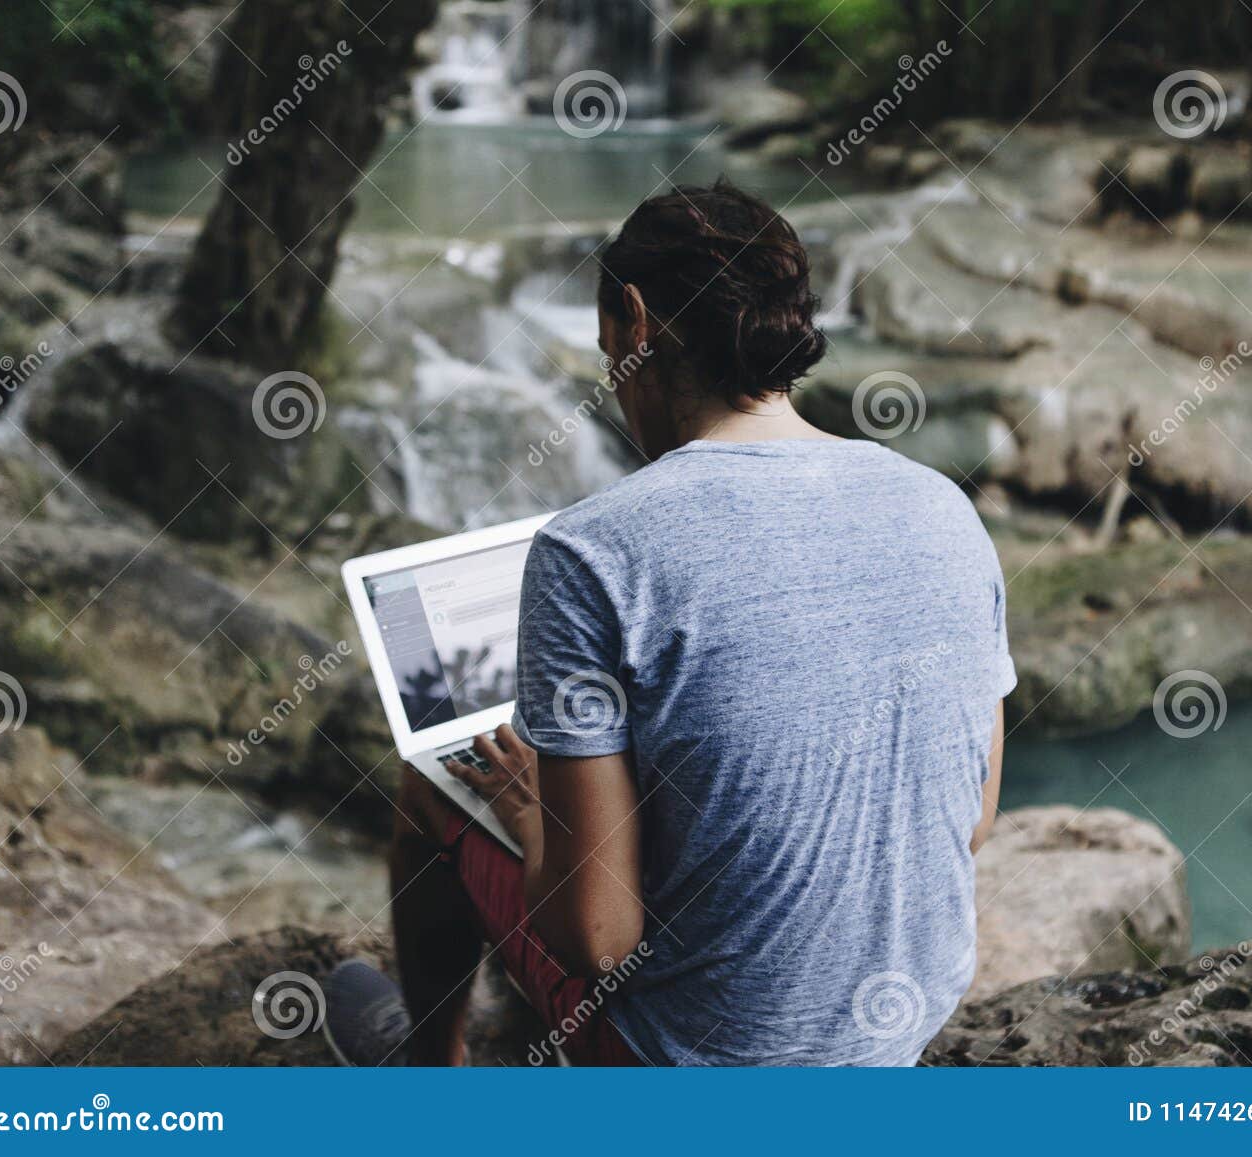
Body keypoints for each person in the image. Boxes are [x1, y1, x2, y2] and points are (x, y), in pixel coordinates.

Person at [323, 179, 1014, 1066]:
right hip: (898, 1032)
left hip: (686, 1062)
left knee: (433, 786)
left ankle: (433, 1072)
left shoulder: (593, 551)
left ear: (635, 323)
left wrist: (540, 819)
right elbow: (975, 817)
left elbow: (597, 942)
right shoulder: (942, 505)